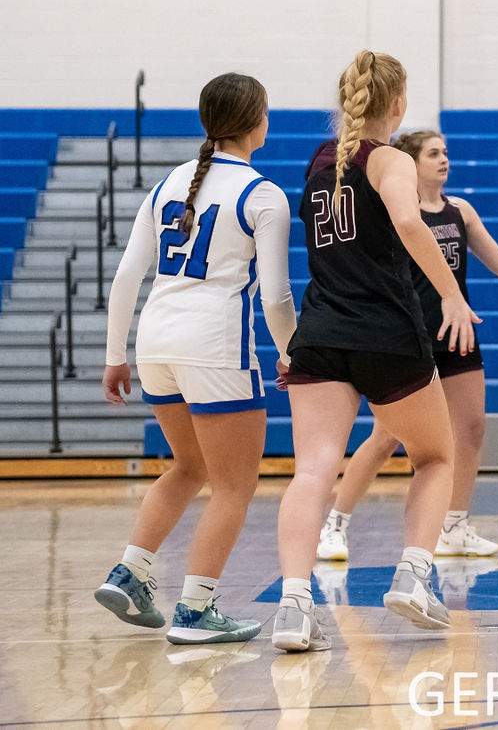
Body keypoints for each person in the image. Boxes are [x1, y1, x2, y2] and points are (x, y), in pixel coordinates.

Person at [271, 51, 480, 652]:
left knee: (313, 471)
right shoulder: (389, 158)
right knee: (435, 457)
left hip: (320, 333)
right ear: (398, 103)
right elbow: (410, 225)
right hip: (386, 334)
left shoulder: (320, 162)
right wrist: (451, 295)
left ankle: (294, 605)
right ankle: (413, 576)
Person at [96, 73, 296, 645]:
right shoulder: (263, 194)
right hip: (214, 346)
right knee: (234, 485)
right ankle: (195, 610)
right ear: (256, 121)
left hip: (155, 342)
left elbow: (126, 276)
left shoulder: (167, 184)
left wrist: (115, 356)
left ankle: (130, 573)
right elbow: (277, 297)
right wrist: (292, 353)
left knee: (188, 468)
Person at [317, 130, 498, 561]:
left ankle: (454, 526)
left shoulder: (460, 211)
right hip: (411, 335)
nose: (444, 159)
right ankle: (335, 524)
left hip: (457, 333)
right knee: (385, 437)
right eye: (433, 153)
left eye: (445, 152)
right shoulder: (395, 208)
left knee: (472, 429)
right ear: (411, 162)